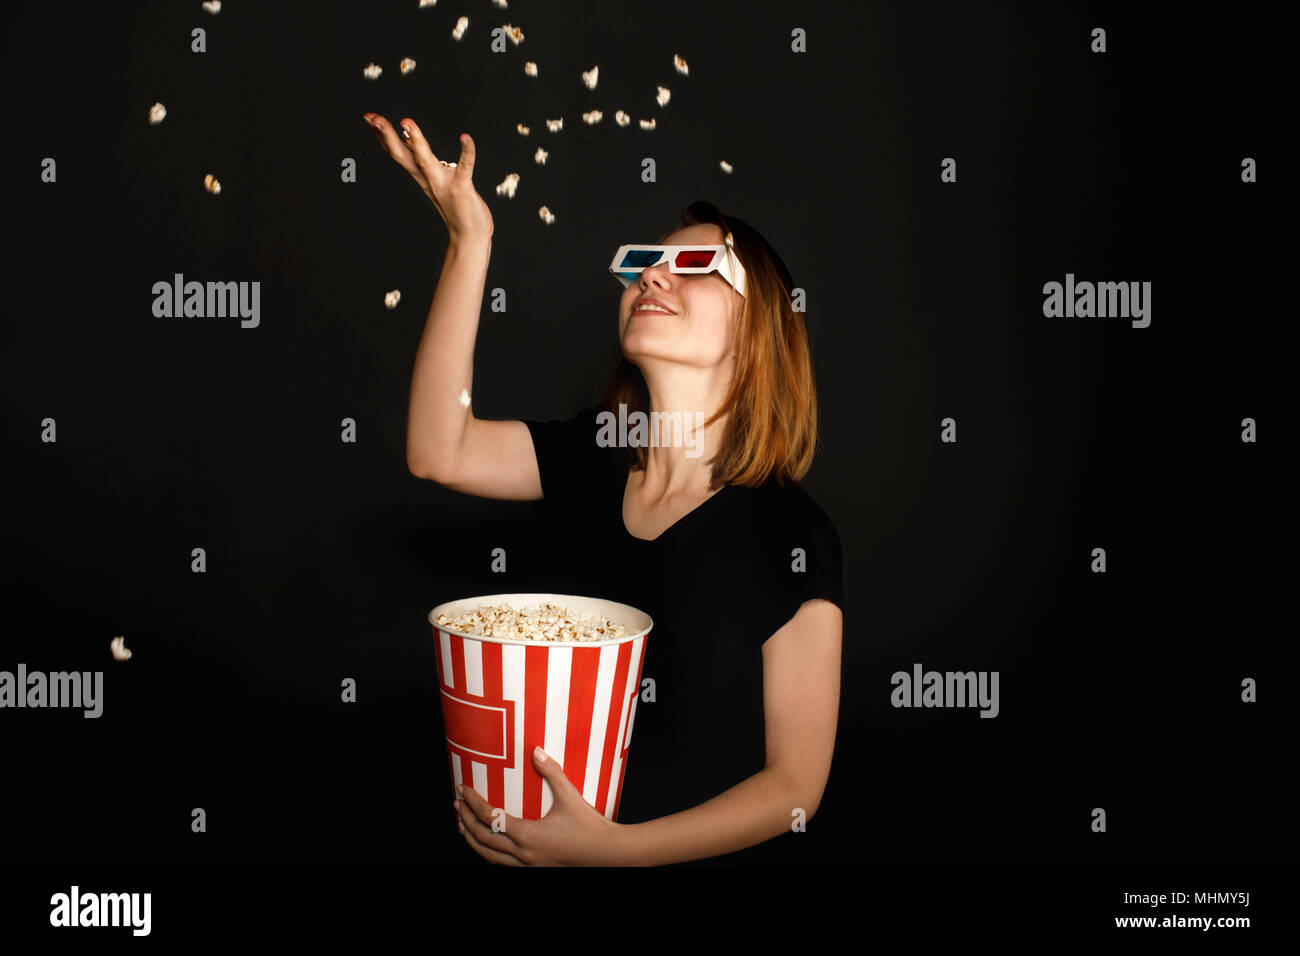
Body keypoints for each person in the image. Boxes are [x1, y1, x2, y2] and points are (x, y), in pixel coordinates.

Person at [366, 112, 844, 866]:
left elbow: (795, 787)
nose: (651, 274)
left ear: (761, 326)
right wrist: (469, 243)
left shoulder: (792, 534)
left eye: (692, 267)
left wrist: (610, 852)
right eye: (645, 263)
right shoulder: (591, 454)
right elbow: (439, 449)